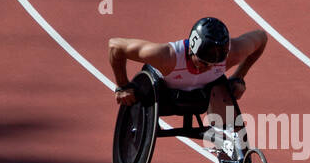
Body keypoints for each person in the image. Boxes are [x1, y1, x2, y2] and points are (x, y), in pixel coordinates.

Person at [108, 17, 267, 153]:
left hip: (200, 98)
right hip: (164, 97)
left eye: (215, 63)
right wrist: (122, 85)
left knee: (222, 85)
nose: (209, 67)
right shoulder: (167, 57)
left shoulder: (233, 54)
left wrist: (239, 77)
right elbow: (115, 46)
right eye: (204, 62)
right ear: (192, 48)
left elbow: (261, 37)